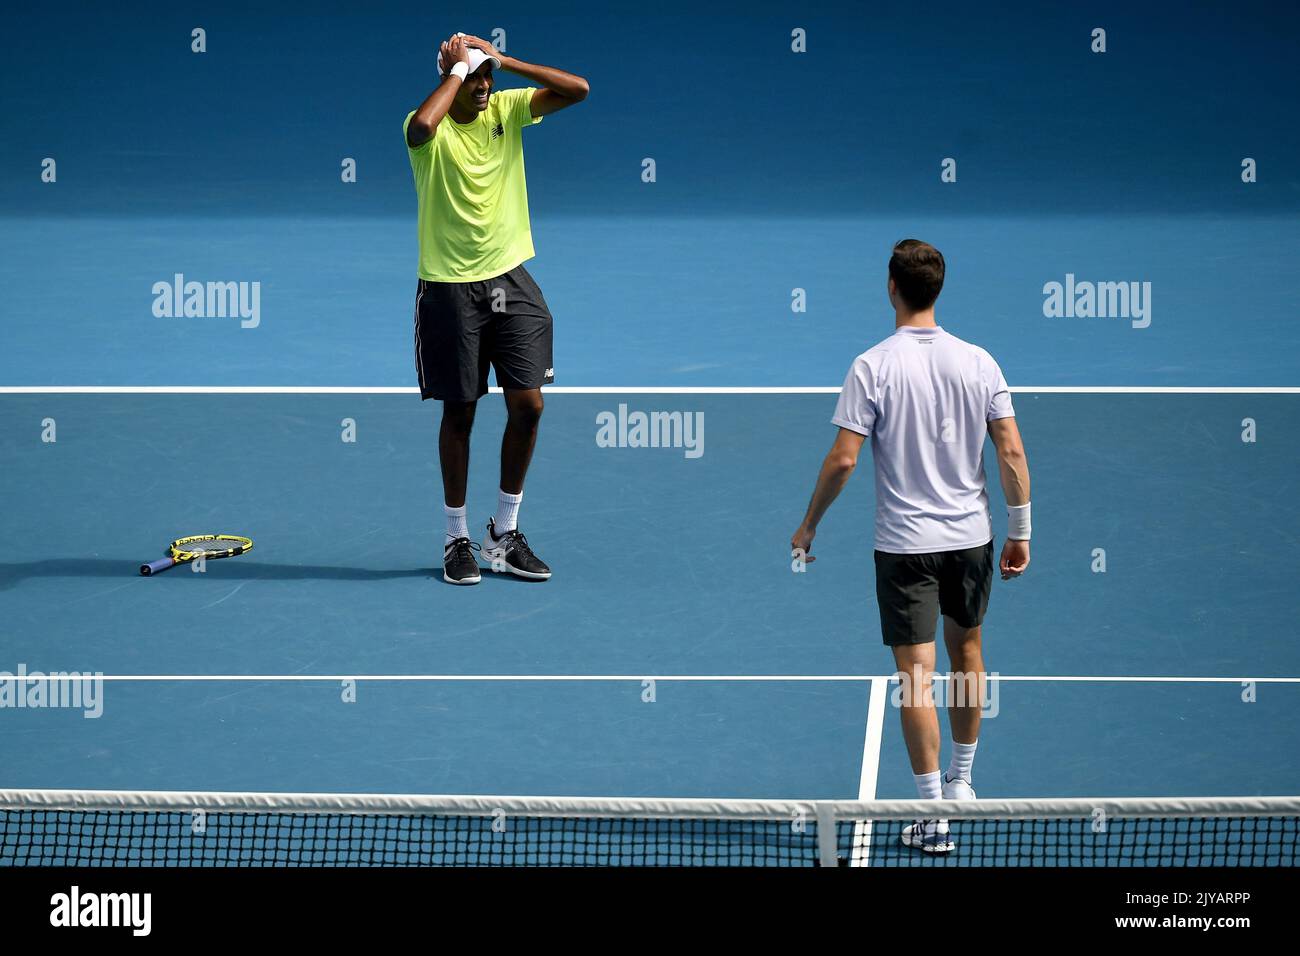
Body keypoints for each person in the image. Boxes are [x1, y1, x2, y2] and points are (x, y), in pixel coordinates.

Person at [790, 240, 1032, 853]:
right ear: (937, 289)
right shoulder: (981, 363)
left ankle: (932, 812)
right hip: (972, 539)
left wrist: (809, 524)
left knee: (916, 677)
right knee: (968, 653)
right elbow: (1009, 450)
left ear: (891, 288)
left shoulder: (871, 366)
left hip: (904, 548)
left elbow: (845, 458)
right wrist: (1020, 529)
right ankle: (962, 786)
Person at [404, 33, 589, 584]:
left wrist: (502, 60)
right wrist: (457, 72)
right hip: (449, 287)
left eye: (491, 78)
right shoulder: (426, 126)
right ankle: (455, 537)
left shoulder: (506, 107)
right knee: (460, 411)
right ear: (450, 81)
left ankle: (503, 535)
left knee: (528, 405)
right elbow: (420, 128)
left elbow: (577, 90)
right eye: (476, 79)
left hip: (510, 277)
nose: (486, 87)